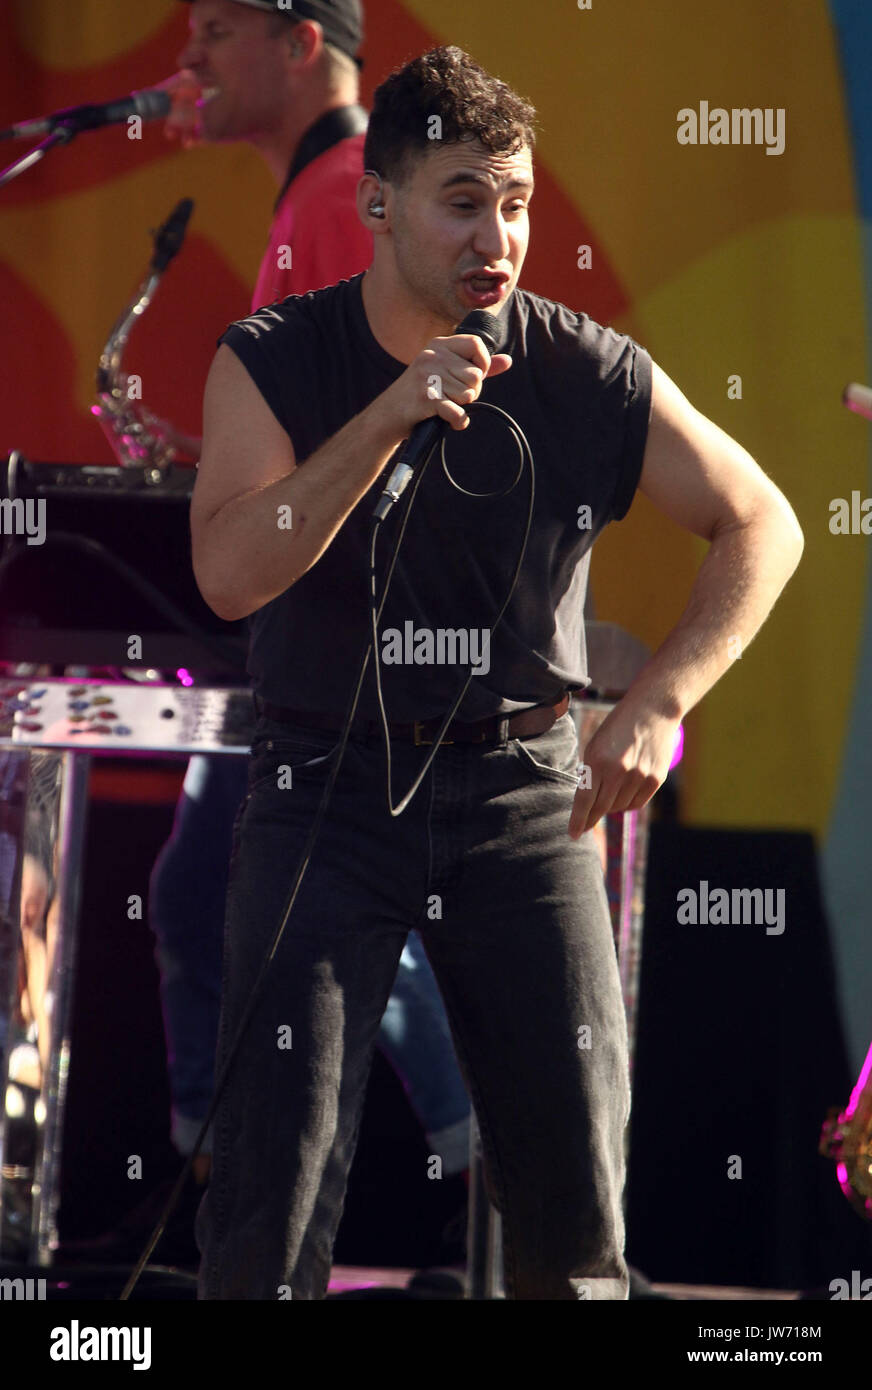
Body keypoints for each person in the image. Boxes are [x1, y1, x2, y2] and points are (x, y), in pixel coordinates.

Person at [190, 45, 804, 1299]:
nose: (499, 236)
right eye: (462, 200)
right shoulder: (271, 359)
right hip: (325, 792)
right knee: (267, 1215)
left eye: (515, 202)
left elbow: (764, 521)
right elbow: (230, 575)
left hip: (521, 799)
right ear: (378, 204)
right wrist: (388, 413)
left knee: (575, 1226)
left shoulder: (581, 369)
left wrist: (660, 701)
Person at [61, 0, 472, 1269]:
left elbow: (388, 426)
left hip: (344, 633)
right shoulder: (328, 191)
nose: (183, 64)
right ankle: (241, 1187)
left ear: (305, 42)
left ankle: (477, 1178)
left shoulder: (350, 188)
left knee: (259, 907)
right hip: (320, 620)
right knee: (213, 899)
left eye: (215, 32)